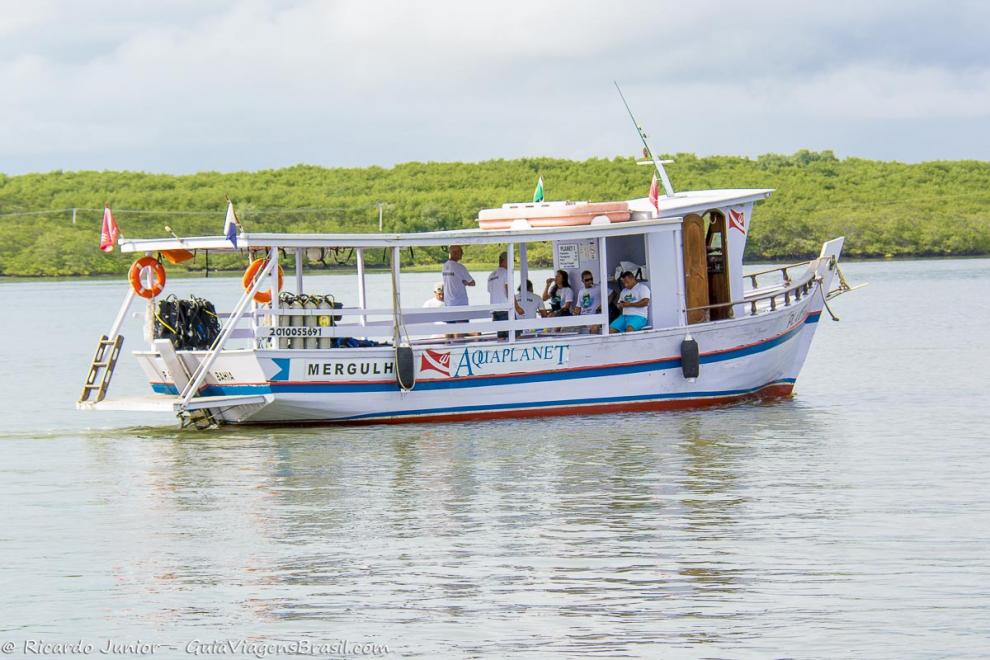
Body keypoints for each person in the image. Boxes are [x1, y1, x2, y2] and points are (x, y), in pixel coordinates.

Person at [442, 245, 475, 332]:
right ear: (455, 253)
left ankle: (449, 345)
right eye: (461, 252)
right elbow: (472, 282)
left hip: (448, 303)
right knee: (462, 330)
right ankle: (461, 344)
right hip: (460, 303)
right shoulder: (459, 267)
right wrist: (466, 282)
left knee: (450, 330)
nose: (462, 254)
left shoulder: (444, 266)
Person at [487, 252, 509, 339]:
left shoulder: (491, 275)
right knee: (515, 334)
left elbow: (490, 291)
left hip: (494, 310)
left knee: (501, 336)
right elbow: (509, 291)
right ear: (504, 260)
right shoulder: (506, 273)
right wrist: (517, 307)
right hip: (505, 308)